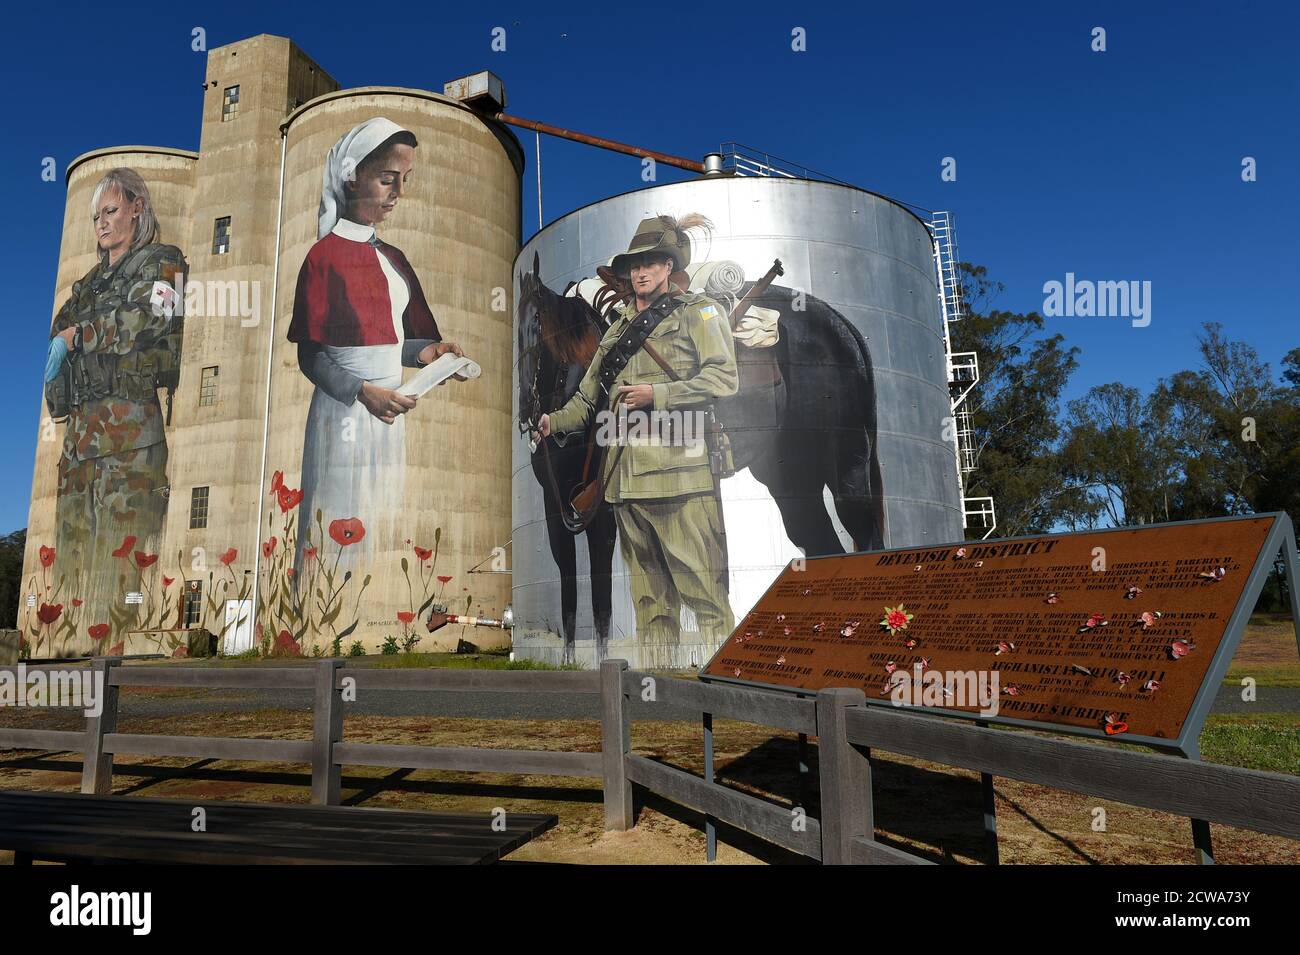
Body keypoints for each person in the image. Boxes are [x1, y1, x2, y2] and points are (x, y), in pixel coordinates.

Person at [534, 215, 738, 650]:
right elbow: (589, 400)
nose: (642, 272)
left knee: (703, 594)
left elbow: (723, 379)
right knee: (650, 602)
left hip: (679, 477)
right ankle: (658, 691)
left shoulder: (699, 313)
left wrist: (656, 395)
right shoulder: (617, 331)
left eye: (652, 262)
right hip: (625, 483)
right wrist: (554, 422)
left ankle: (734, 693)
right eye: (635, 264)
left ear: (668, 267)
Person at [288, 117, 463, 572]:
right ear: (353, 178)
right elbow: (310, 354)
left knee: (383, 523)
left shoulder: (395, 259)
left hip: (391, 411)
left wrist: (430, 354)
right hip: (343, 411)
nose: (397, 193)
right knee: (336, 525)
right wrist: (363, 392)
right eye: (388, 179)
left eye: (405, 181)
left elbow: (399, 340)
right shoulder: (323, 257)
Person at [45, 167, 187, 642]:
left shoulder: (165, 264)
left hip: (130, 442)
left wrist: (81, 335)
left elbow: (150, 316)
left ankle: (120, 663)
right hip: (79, 446)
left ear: (137, 208)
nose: (101, 223)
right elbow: (57, 341)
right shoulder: (84, 288)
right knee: (73, 565)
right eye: (95, 217)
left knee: (122, 561)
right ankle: (67, 655)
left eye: (110, 211)